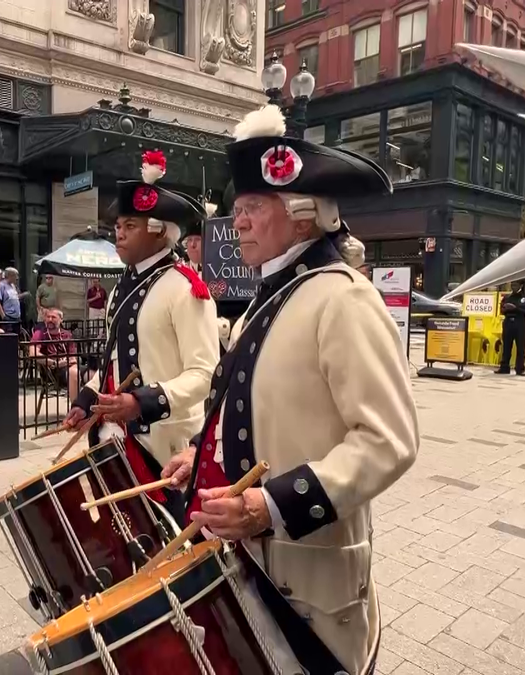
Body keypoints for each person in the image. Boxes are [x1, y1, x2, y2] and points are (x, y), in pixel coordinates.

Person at [159, 104, 419, 675]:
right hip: (249, 560)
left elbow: (389, 440)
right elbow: (256, 405)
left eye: (253, 207)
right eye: (237, 210)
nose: (239, 223)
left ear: (302, 215)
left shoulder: (343, 298)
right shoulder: (269, 298)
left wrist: (270, 505)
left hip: (309, 578)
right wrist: (205, 453)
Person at [63, 149, 219, 525]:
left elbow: (205, 374)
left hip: (163, 446)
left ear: (160, 231)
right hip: (114, 437)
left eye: (130, 225)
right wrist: (89, 396)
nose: (118, 232)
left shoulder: (186, 288)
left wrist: (144, 401)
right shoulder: (121, 288)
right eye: (118, 225)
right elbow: (114, 361)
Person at [31, 308, 81, 401]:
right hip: (52, 372)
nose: (50, 319)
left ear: (61, 319)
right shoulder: (40, 334)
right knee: (74, 373)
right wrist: (53, 363)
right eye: (47, 317)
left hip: (69, 365)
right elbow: (33, 353)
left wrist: (67, 362)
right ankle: (76, 409)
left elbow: (73, 357)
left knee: (95, 374)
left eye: (53, 317)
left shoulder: (67, 335)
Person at [497, 281, 525, 376]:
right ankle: (504, 367)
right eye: (512, 285)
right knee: (506, 346)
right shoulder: (507, 297)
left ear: (521, 285)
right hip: (508, 322)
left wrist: (515, 308)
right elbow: (502, 309)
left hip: (520, 322)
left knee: (521, 347)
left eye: (515, 285)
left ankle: (520, 369)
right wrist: (506, 309)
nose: (513, 287)